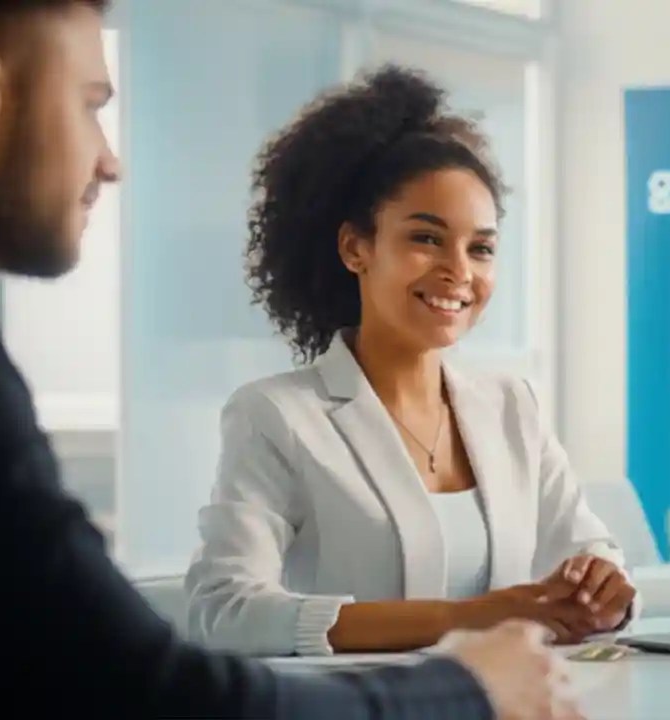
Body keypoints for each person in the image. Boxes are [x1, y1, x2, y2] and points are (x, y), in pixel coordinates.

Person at [0, 2, 578, 717]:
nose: (111, 160)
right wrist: (468, 684)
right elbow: (159, 684)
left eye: (482, 247)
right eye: (90, 105)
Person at [183, 65, 638, 657]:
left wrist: (604, 588)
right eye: (426, 239)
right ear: (356, 247)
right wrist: (470, 618)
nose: (459, 271)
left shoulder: (511, 407)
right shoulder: (276, 415)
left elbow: (590, 549)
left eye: (480, 248)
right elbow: (225, 611)